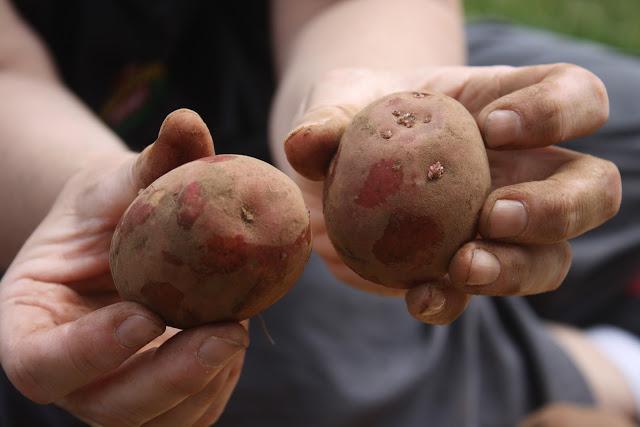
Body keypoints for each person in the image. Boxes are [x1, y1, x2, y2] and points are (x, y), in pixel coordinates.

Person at [0, 0, 637, 426]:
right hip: (49, 168)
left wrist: (360, 89)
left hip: (293, 69)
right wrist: (89, 196)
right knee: (291, 360)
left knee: (611, 127)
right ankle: (605, 371)